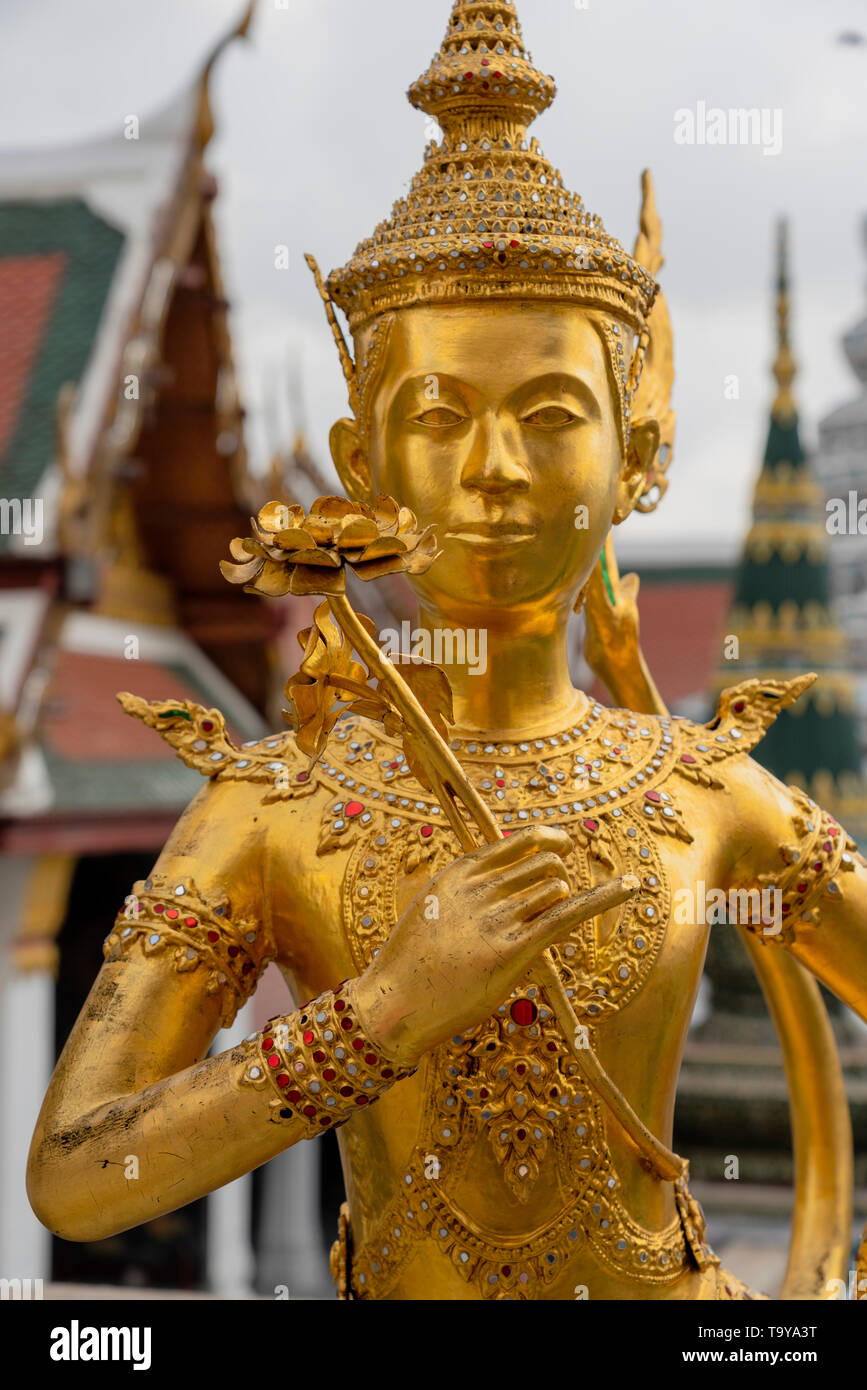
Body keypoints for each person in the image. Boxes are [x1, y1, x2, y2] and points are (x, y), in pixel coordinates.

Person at [27, 0, 867, 1300]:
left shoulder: (703, 791)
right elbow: (78, 1175)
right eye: (437, 414)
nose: (492, 470)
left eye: (549, 414)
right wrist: (379, 1016)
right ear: (362, 465)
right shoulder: (276, 806)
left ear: (634, 462)